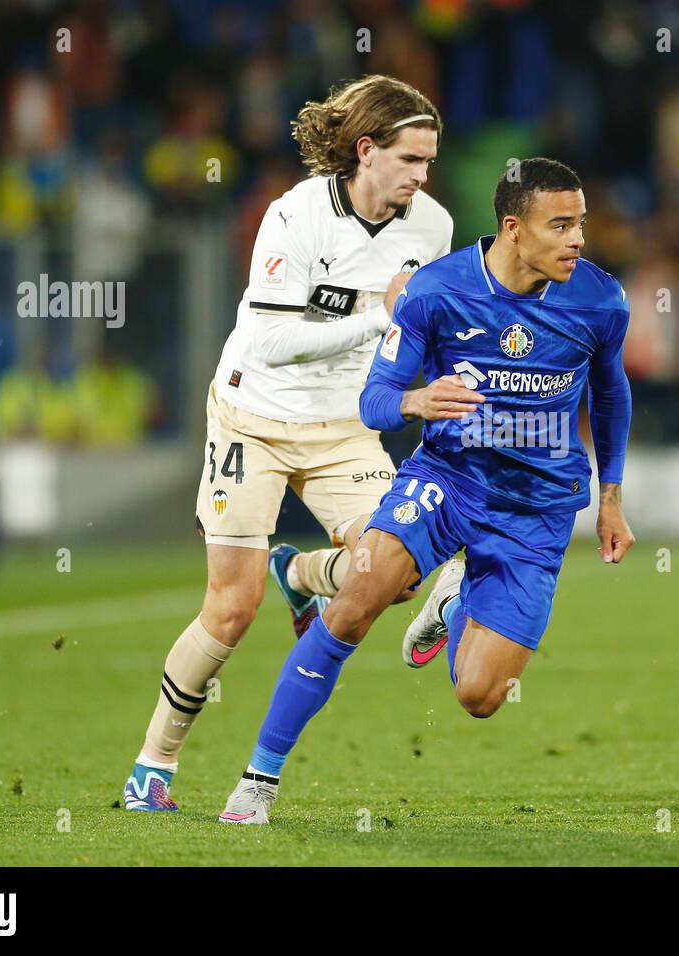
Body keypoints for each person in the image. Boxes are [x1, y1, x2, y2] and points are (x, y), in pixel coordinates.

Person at [218, 158, 634, 825]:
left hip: (538, 513)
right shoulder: (437, 292)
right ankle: (257, 781)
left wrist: (610, 496)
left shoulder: (599, 299)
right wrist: (418, 398)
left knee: (479, 695)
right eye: (561, 224)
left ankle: (457, 595)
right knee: (357, 601)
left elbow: (612, 392)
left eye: (580, 222)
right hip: (446, 483)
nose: (578, 239)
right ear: (513, 228)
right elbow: (376, 401)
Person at [122, 75, 453, 812]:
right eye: (410, 160)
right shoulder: (294, 216)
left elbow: (418, 328)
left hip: (343, 427)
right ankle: (155, 764)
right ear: (366, 151)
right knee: (230, 610)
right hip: (254, 416)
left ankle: (300, 575)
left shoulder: (431, 227)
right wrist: (377, 317)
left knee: (393, 576)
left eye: (429, 162)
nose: (422, 176)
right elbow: (270, 340)